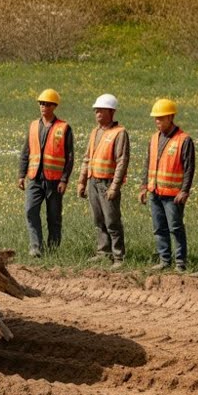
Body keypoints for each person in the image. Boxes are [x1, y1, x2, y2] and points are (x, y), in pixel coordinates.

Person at [138, 99, 195, 272]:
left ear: (170, 117)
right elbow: (148, 163)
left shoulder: (183, 140)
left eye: (161, 118)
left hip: (173, 195)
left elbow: (189, 168)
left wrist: (184, 190)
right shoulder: (154, 138)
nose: (157, 122)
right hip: (155, 191)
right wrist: (143, 186)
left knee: (175, 228)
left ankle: (180, 263)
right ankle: (164, 260)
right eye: (155, 118)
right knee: (159, 227)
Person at [17, 88, 74, 258]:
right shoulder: (33, 126)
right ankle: (36, 247)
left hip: (55, 180)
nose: (43, 107)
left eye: (47, 104)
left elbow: (69, 156)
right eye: (41, 103)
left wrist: (65, 179)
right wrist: (21, 174)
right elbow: (26, 152)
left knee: (53, 217)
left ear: (54, 106)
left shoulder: (64, 128)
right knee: (30, 210)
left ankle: (53, 250)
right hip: (34, 177)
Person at [78, 94, 129, 267]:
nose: (97, 113)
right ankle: (103, 252)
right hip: (93, 180)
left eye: (101, 110)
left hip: (107, 183)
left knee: (112, 220)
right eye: (96, 110)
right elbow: (87, 158)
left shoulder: (120, 133)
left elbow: (122, 161)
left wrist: (115, 186)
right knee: (98, 220)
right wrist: (82, 181)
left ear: (111, 112)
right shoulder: (95, 132)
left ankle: (118, 256)